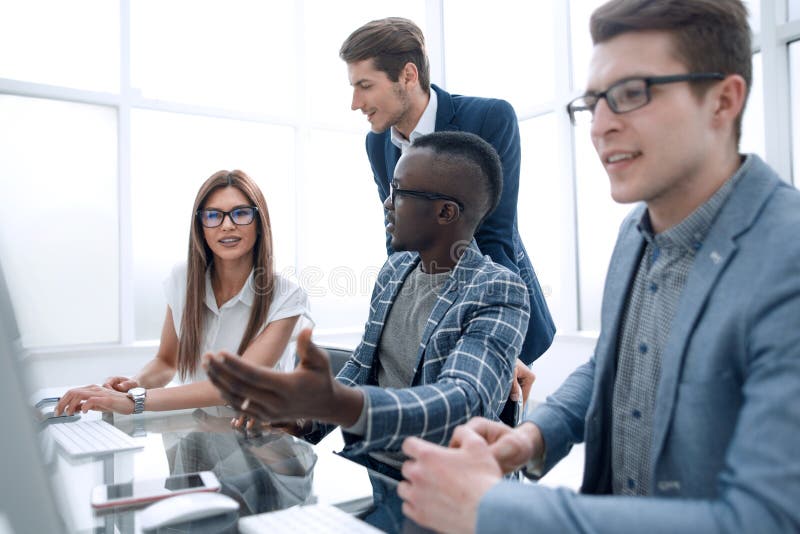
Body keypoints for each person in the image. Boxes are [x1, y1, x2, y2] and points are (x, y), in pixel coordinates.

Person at [395, 1, 800, 532]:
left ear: (723, 100)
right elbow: (614, 362)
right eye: (593, 102)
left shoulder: (787, 258)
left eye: (631, 94)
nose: (601, 126)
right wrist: (532, 438)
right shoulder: (634, 232)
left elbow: (765, 519)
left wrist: (494, 508)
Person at [204, 131, 531, 532]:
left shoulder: (498, 289)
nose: (387, 202)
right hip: (365, 472)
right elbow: (362, 364)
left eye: (400, 191)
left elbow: (462, 400)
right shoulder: (396, 269)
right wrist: (305, 418)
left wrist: (340, 404)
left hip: (439, 495)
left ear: (446, 213)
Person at [340, 17, 555, 368]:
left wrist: (503, 338)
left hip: (495, 303)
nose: (355, 102)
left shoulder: (488, 118)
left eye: (365, 85)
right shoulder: (377, 143)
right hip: (427, 320)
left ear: (408, 76)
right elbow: (397, 241)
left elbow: (494, 234)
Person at [55, 170, 312, 416]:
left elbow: (235, 386)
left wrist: (135, 402)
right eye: (213, 216)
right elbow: (167, 362)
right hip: (198, 429)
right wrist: (133, 384)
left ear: (259, 223)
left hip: (265, 440)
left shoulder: (287, 296)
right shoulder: (183, 280)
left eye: (241, 213)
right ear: (200, 226)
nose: (227, 225)